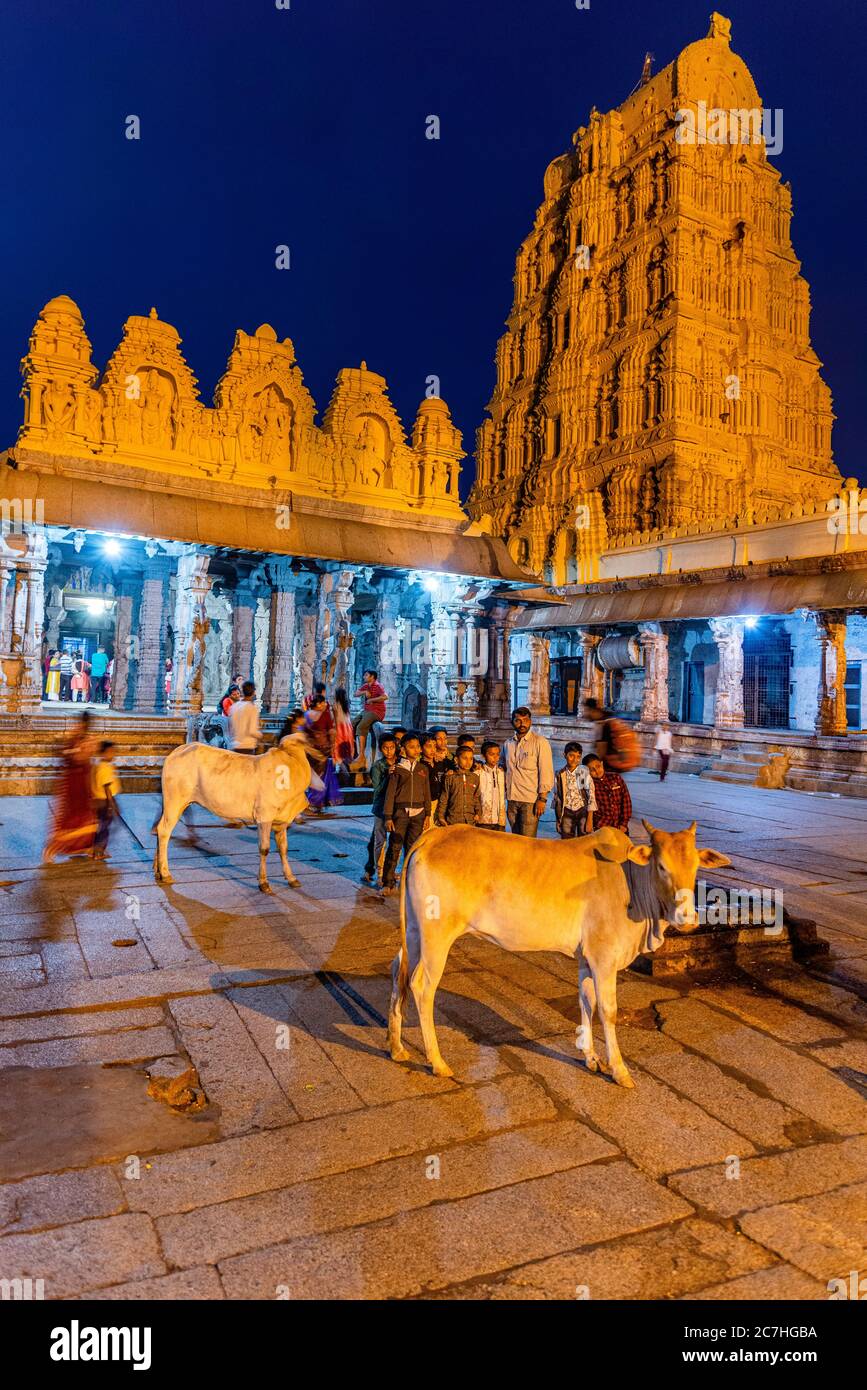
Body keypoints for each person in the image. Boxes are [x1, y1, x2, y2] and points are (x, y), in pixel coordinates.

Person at [43, 712, 97, 863]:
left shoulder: (87, 738)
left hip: (83, 782)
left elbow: (87, 758)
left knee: (86, 816)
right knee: (69, 817)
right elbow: (67, 756)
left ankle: (84, 847)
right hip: (73, 782)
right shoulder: (76, 737)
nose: (84, 726)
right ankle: (53, 848)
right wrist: (77, 752)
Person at [381, 732, 431, 896]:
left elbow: (426, 792)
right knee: (394, 847)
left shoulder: (423, 768)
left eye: (417, 746)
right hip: (400, 814)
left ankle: (410, 881)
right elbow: (390, 794)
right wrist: (388, 816)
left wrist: (428, 814)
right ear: (402, 749)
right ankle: (388, 882)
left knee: (413, 849)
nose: (416, 750)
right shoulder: (396, 769)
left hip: (419, 814)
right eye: (412, 747)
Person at [503, 706, 554, 837]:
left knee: (528, 842)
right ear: (512, 722)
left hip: (530, 800)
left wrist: (542, 799)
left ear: (530, 721)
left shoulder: (540, 742)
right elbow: (502, 767)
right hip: (512, 799)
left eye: (525, 720)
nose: (522, 724)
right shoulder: (508, 744)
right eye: (518, 720)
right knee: (516, 838)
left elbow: (546, 772)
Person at [361, 732, 398, 887]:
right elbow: (377, 789)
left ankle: (391, 870)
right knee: (379, 841)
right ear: (381, 749)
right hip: (381, 808)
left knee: (396, 842)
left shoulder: (401, 762)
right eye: (385, 748)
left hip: (397, 808)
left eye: (392, 747)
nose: (389, 751)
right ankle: (380, 871)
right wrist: (388, 776)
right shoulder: (378, 766)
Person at [583, 697, 640, 774]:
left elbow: (601, 752)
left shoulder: (602, 724)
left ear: (592, 710)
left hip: (609, 768)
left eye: (585, 710)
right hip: (617, 766)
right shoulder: (611, 718)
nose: (584, 714)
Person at [304, 691, 340, 811]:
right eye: (324, 702)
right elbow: (332, 732)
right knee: (320, 776)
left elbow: (302, 732)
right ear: (318, 704)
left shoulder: (306, 715)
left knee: (312, 775)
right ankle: (316, 801)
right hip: (322, 750)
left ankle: (313, 801)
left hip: (309, 749)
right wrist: (333, 746)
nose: (325, 704)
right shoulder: (324, 715)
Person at [554, 741, 596, 838]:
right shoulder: (559, 774)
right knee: (567, 841)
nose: (575, 760)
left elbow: (591, 795)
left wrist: (590, 819)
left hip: (582, 811)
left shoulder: (582, 772)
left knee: (584, 840)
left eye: (578, 757)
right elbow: (557, 799)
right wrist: (558, 819)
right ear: (564, 755)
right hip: (566, 812)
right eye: (571, 755)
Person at [584, 753, 632, 833]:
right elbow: (589, 806)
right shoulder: (590, 785)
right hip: (601, 827)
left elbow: (626, 801)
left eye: (598, 766)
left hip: (620, 826)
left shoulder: (616, 778)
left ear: (602, 764)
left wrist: (624, 823)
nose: (597, 771)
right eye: (592, 770)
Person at [436, 744, 481, 826]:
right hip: (453, 820)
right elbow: (444, 798)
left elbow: (476, 797)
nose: (468, 762)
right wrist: (441, 817)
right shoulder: (450, 777)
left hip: (470, 820)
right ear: (456, 760)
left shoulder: (475, 778)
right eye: (465, 758)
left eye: (471, 759)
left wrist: (478, 812)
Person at [350, 668, 387, 769]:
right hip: (366, 711)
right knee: (352, 724)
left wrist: (372, 699)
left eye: (366, 675)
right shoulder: (366, 685)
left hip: (377, 712)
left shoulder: (378, 686)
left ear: (372, 677)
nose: (364, 677)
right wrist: (364, 692)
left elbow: (385, 697)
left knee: (361, 726)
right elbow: (355, 693)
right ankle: (354, 751)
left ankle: (362, 755)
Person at [92, 740, 120, 860]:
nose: (113, 754)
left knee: (102, 826)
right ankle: (98, 852)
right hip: (104, 801)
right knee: (104, 828)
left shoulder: (99, 766)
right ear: (103, 753)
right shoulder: (105, 768)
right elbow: (107, 788)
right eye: (110, 752)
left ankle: (97, 850)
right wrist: (112, 805)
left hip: (99, 800)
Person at [477, 739, 506, 830]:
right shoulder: (478, 773)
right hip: (483, 820)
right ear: (483, 756)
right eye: (491, 754)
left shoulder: (501, 772)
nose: (495, 758)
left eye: (497, 754)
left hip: (499, 820)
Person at [421, 732, 448, 822]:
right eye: (429, 746)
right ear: (421, 748)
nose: (433, 750)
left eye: (434, 746)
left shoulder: (441, 763)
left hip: (440, 803)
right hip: (425, 804)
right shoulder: (420, 766)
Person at [228, 680, 261, 754]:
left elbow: (230, 727)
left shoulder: (234, 706)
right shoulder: (252, 708)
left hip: (233, 746)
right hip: (246, 747)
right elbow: (252, 731)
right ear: (253, 692)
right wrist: (261, 735)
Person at [333, 687, 356, 769]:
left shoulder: (335, 705)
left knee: (338, 744)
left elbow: (336, 719)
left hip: (340, 727)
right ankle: (348, 762)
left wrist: (335, 729)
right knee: (348, 745)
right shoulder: (346, 704)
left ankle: (339, 764)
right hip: (348, 728)